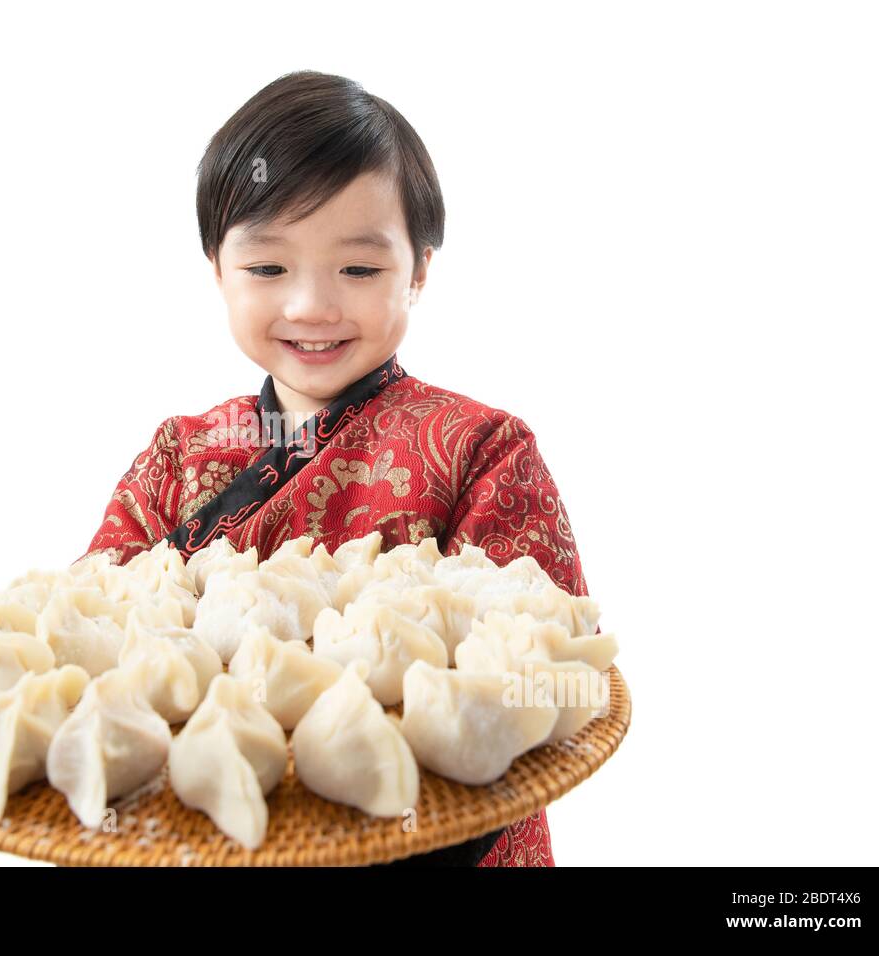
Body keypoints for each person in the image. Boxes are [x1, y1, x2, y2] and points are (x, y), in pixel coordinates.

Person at [76, 70, 585, 867]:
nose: (311, 305)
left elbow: (549, 686)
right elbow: (93, 634)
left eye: (358, 269)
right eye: (268, 269)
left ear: (418, 270)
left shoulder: (483, 450)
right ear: (217, 269)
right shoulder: (178, 455)